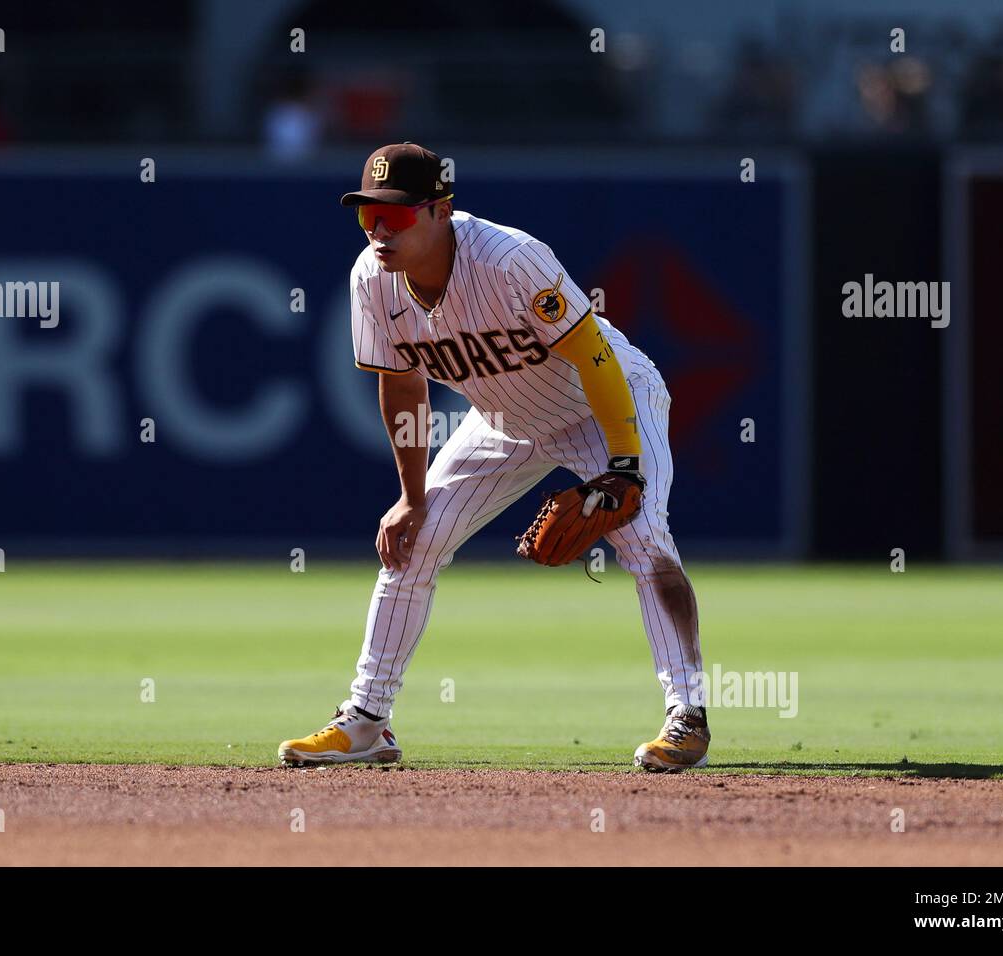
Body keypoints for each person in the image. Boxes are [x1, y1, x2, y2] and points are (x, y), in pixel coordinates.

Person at [279, 143, 708, 772]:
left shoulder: (509, 260)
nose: (378, 229)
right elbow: (400, 385)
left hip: (604, 403)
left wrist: (621, 464)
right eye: (367, 214)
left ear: (439, 211)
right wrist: (411, 495)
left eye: (395, 215)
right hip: (506, 420)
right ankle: (367, 722)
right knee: (414, 540)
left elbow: (595, 355)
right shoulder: (370, 279)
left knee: (645, 540)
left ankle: (687, 714)